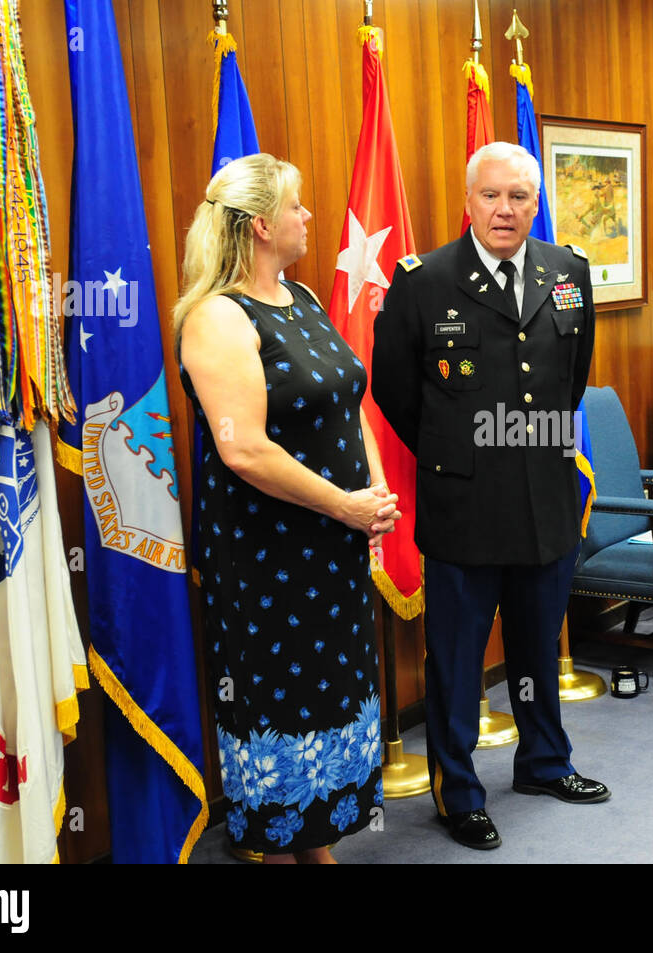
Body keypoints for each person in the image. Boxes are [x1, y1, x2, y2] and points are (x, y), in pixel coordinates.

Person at [372, 141, 609, 851]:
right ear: (467, 200)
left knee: (538, 646)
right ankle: (460, 790)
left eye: (520, 197)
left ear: (536, 203)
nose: (506, 209)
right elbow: (394, 391)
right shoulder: (424, 280)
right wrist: (459, 454)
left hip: (545, 500)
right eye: (491, 196)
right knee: (456, 658)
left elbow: (571, 379)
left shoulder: (567, 271)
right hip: (466, 507)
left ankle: (544, 761)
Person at [173, 153, 400, 864]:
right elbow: (244, 451)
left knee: (330, 691)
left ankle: (316, 846)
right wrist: (347, 506)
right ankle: (282, 844)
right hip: (270, 554)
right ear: (264, 223)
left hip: (332, 540)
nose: (309, 219)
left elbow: (345, 396)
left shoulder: (298, 298)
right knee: (281, 697)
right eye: (298, 208)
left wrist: (373, 496)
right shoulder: (216, 317)